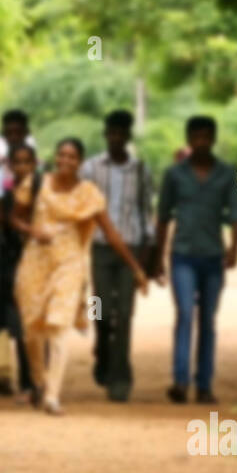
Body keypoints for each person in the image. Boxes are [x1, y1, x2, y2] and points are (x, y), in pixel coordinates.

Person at [11, 138, 148, 415]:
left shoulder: (89, 193)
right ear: (55, 156)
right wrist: (32, 231)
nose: (66, 160)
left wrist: (135, 267)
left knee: (59, 324)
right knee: (32, 329)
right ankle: (39, 381)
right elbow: (14, 218)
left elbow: (110, 233)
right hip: (35, 261)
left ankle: (52, 395)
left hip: (70, 262)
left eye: (72, 157)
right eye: (62, 154)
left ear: (80, 162)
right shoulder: (37, 183)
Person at [155, 116, 237, 405]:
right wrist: (157, 257)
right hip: (182, 256)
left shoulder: (229, 174)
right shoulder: (174, 174)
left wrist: (234, 248)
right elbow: (162, 216)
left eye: (207, 137)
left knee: (208, 320)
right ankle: (180, 381)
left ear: (214, 139)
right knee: (184, 314)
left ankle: (204, 385)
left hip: (213, 257)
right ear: (189, 140)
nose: (202, 142)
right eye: (196, 137)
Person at [80, 110, 155, 403]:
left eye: (121, 133)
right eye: (111, 132)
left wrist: (148, 252)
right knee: (100, 307)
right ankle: (102, 347)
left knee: (124, 313)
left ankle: (120, 377)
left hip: (131, 248)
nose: (116, 138)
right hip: (100, 247)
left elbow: (145, 210)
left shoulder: (140, 170)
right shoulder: (91, 169)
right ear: (105, 134)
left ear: (128, 136)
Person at [0, 144, 38, 401]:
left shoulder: (44, 195)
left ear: (35, 164)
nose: (22, 168)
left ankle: (37, 380)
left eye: (26, 162)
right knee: (16, 324)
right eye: (17, 163)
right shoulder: (5, 198)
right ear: (10, 166)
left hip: (40, 267)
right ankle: (23, 382)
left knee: (35, 326)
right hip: (11, 267)